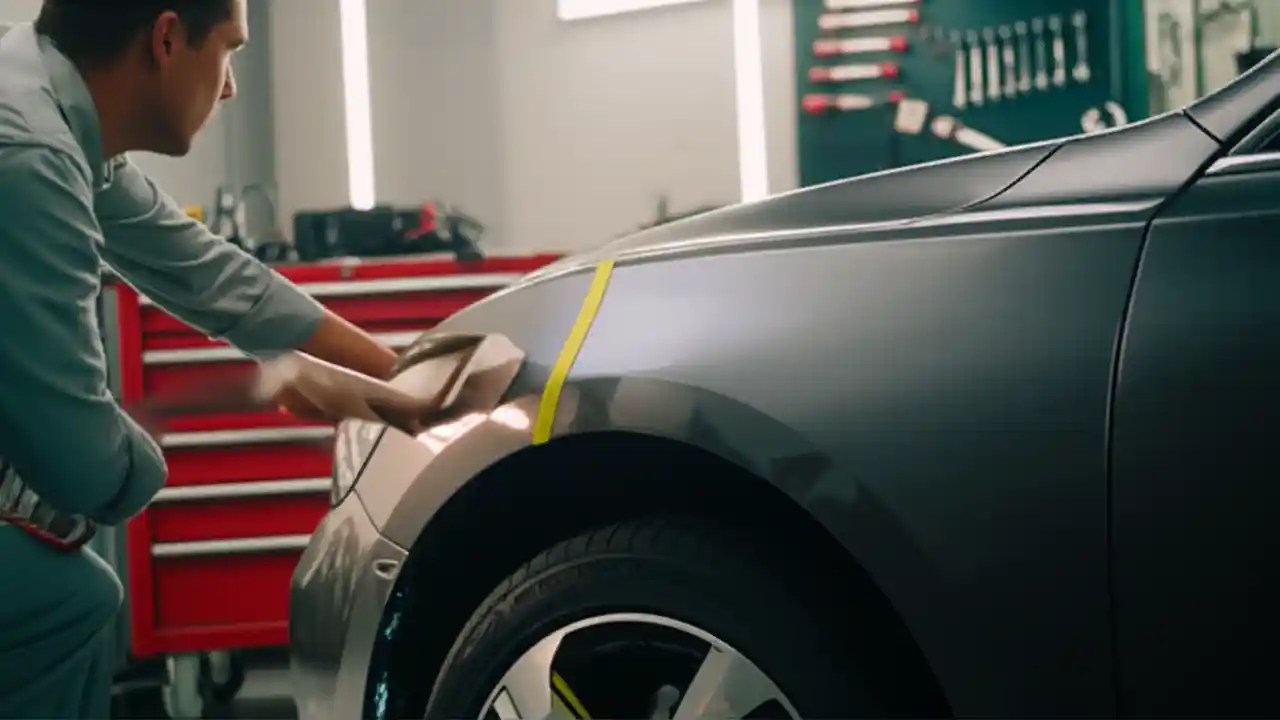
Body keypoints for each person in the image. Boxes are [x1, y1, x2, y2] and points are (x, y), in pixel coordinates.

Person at [0, 1, 398, 716]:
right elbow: (81, 464)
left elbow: (209, 272)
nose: (231, 86)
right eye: (229, 50)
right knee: (67, 600)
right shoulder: (32, 155)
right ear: (166, 38)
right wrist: (236, 397)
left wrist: (398, 372)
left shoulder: (39, 96)